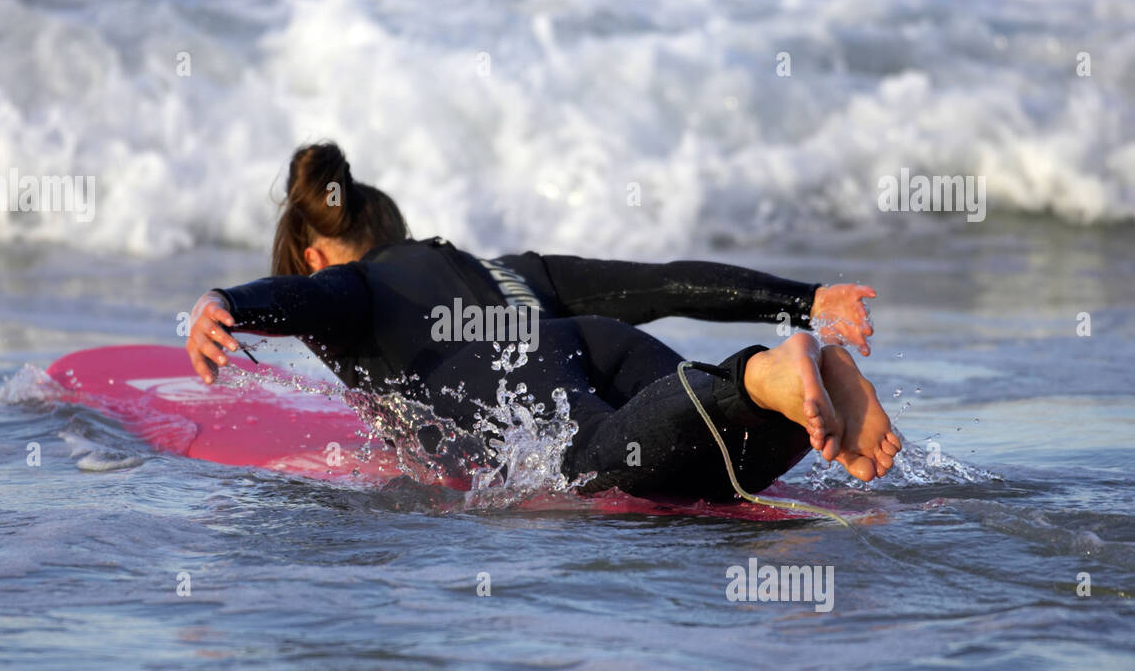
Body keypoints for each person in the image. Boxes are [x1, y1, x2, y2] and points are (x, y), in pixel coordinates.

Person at [186, 142, 900, 503]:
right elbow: (657, 284)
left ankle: (765, 370)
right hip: (595, 341)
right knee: (718, 458)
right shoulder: (506, 269)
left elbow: (310, 300)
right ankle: (790, 378)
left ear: (313, 256)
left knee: (590, 461)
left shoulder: (360, 284)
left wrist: (225, 303)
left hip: (531, 378)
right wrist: (805, 297)